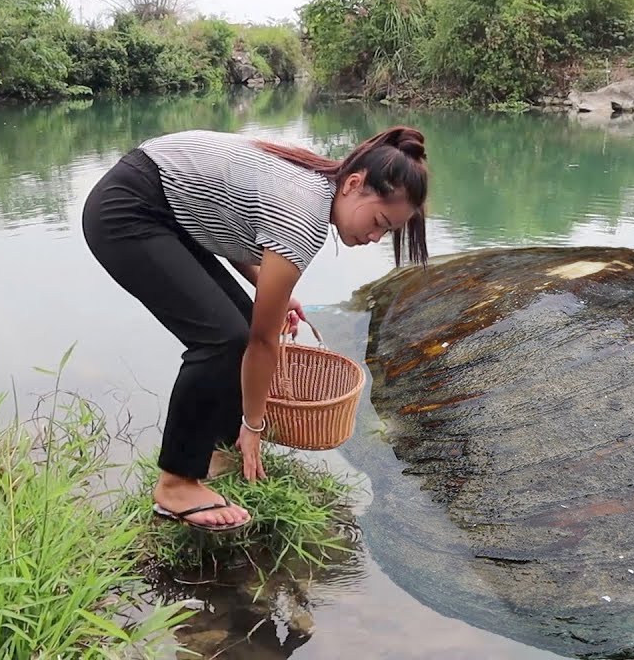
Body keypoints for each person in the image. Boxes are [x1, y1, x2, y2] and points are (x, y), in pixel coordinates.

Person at [81, 125, 430, 531]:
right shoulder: (304, 215)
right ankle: (176, 483)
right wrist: (254, 424)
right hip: (129, 208)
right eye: (379, 221)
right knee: (222, 340)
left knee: (241, 326)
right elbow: (263, 343)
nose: (375, 236)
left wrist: (271, 290)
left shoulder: (317, 183)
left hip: (167, 207)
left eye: (387, 232)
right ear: (354, 184)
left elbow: (224, 221)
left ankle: (216, 452)